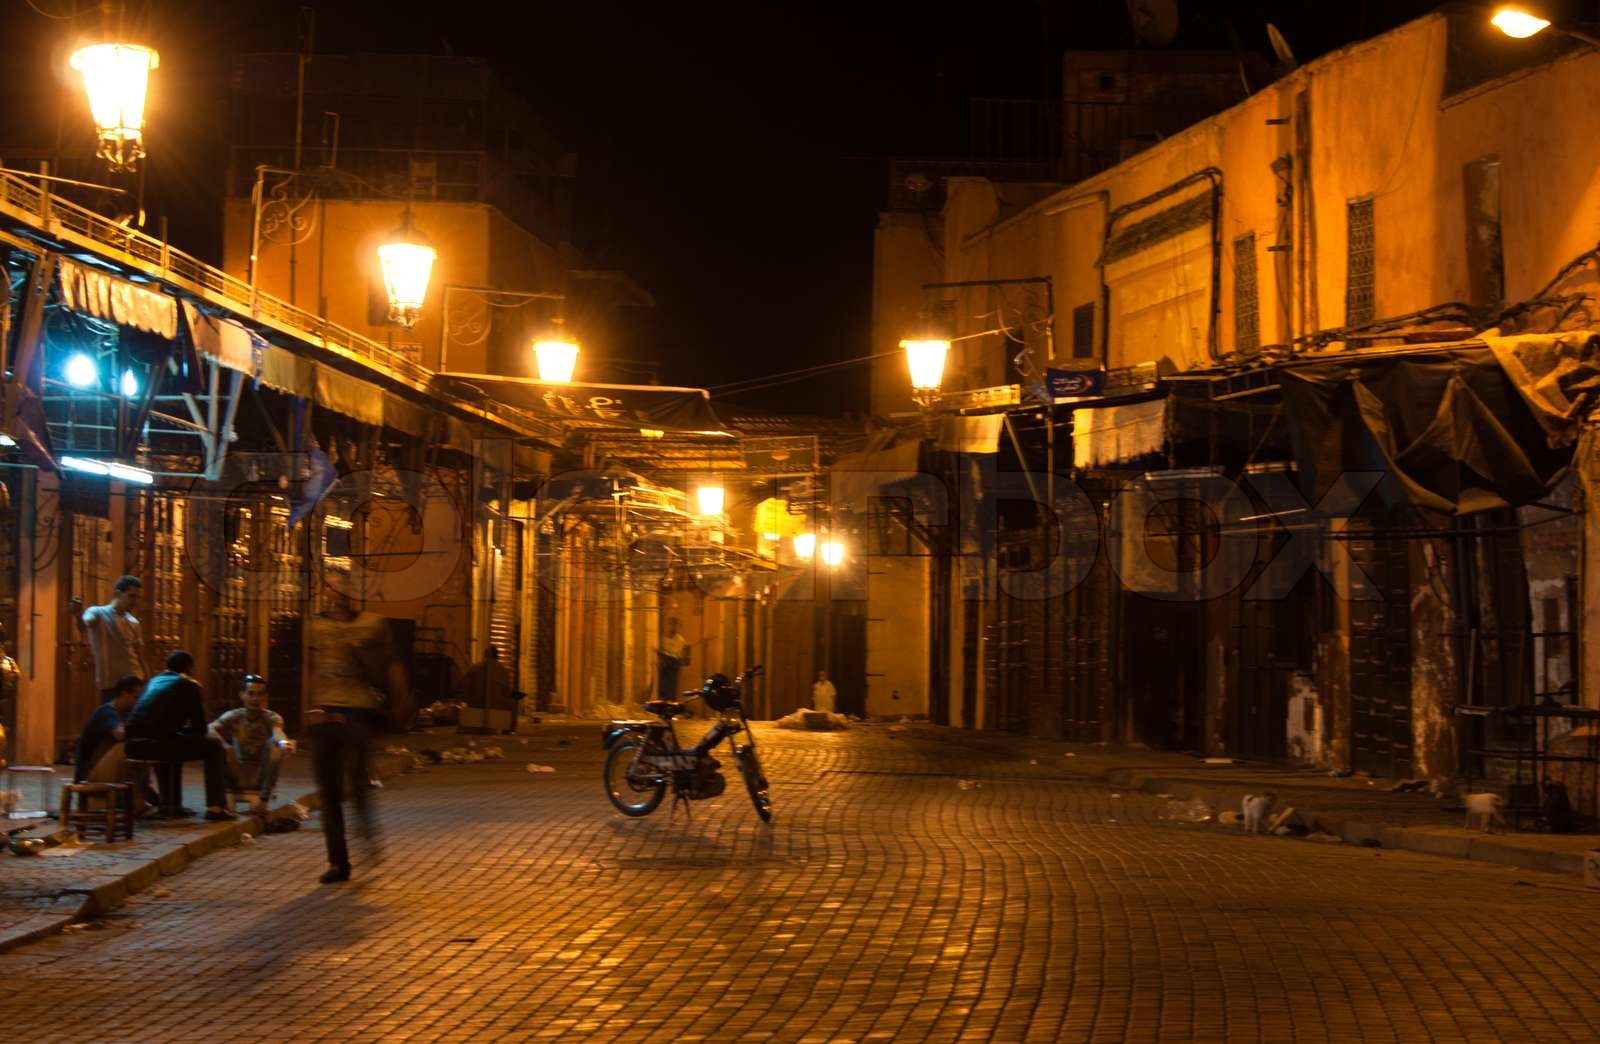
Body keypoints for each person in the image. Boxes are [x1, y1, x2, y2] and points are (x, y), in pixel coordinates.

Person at [308, 583, 406, 885]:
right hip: (325, 716)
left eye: (344, 590)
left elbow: (391, 666)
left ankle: (366, 832)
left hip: (358, 714)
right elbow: (313, 668)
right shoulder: (319, 626)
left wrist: (400, 702)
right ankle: (338, 861)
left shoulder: (373, 625)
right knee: (329, 792)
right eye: (333, 591)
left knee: (358, 783)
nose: (338, 596)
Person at [125, 651, 234, 821]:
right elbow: (199, 727)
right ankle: (216, 807)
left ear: (167, 666)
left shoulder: (153, 681)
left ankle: (170, 805)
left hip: (133, 745)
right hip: (159, 744)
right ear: (190, 668)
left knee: (172, 742)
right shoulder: (190, 684)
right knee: (213, 747)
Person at [211, 675, 292, 811]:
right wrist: (225, 745)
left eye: (260, 694)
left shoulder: (271, 717)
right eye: (251, 693)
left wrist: (284, 742)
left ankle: (264, 799)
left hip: (261, 771)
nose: (255, 699)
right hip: (237, 769)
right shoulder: (234, 716)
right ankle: (221, 799)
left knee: (274, 747)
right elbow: (210, 728)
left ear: (265, 697)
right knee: (216, 745)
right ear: (242, 695)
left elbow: (277, 732)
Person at [72, 575, 149, 703]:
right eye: (131, 596)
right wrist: (77, 614)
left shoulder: (133, 622)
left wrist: (147, 681)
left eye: (137, 598)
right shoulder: (97, 613)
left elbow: (140, 656)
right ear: (117, 593)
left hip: (135, 684)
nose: (135, 602)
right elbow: (84, 625)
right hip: (111, 685)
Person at [74, 674, 143, 785]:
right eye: (136, 697)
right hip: (90, 775)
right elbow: (120, 734)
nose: (138, 702)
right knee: (125, 747)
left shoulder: (124, 714)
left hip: (103, 771)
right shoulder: (106, 712)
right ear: (124, 694)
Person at [456, 645, 515, 724]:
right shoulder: (504, 671)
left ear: (484, 655)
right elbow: (507, 692)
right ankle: (509, 727)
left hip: (475, 707)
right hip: (497, 710)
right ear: (497, 656)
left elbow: (464, 688)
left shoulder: (474, 668)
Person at [658, 617, 690, 700]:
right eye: (669, 624)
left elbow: (674, 653)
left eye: (673, 624)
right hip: (664, 666)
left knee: (671, 689)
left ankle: (670, 706)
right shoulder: (663, 638)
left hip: (673, 665)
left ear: (676, 626)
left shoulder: (680, 640)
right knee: (662, 688)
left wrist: (663, 652)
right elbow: (662, 650)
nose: (671, 627)